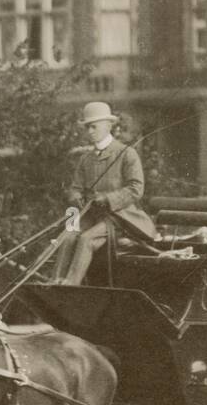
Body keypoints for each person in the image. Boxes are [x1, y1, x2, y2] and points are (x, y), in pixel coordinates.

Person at [50, 102, 158, 285]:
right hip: (92, 216)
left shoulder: (126, 154)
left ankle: (70, 285)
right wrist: (75, 197)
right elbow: (76, 187)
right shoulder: (86, 159)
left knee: (86, 239)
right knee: (67, 237)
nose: (90, 131)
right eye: (87, 127)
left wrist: (107, 199)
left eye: (94, 126)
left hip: (120, 218)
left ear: (108, 125)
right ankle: (54, 283)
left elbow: (135, 189)